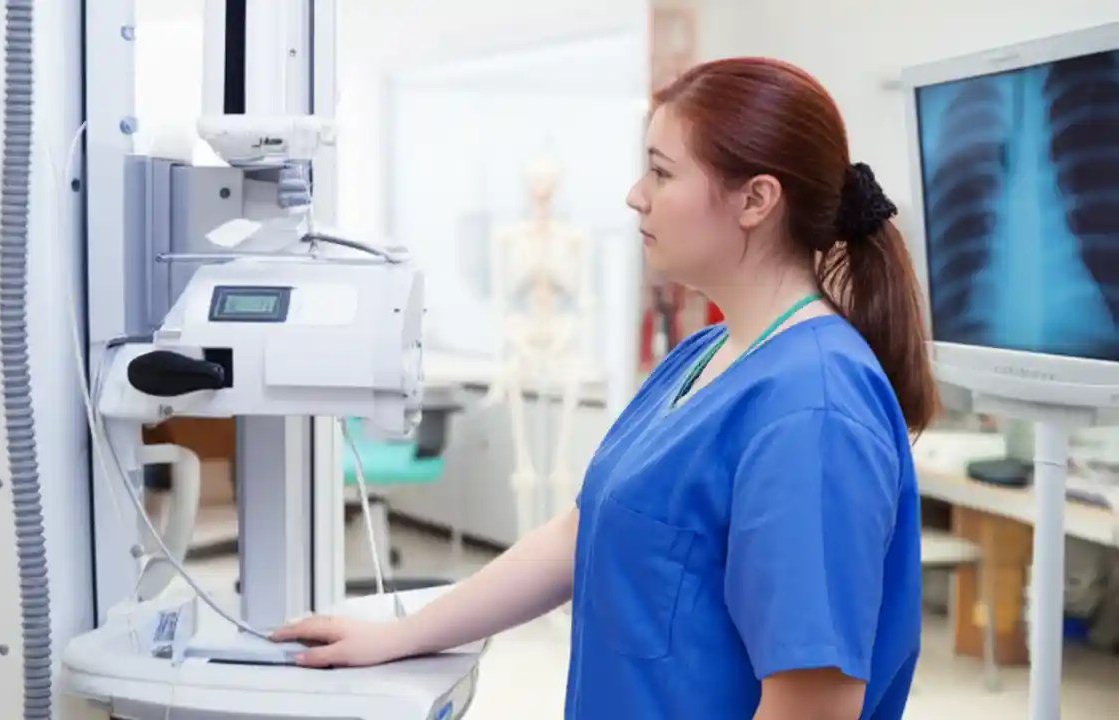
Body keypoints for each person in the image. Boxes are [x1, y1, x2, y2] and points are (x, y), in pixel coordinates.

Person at [273, 57, 937, 720]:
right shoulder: (710, 354)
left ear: (756, 200)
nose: (635, 194)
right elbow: (581, 533)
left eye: (662, 172)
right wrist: (400, 635)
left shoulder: (811, 409)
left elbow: (813, 705)